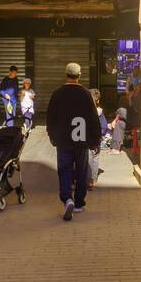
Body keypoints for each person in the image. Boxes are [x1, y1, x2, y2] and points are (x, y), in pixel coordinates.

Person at [46, 62, 102, 220]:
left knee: (64, 170)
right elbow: (93, 119)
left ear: (66, 74)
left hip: (63, 140)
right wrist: (95, 140)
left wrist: (52, 136)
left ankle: (67, 198)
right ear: (79, 75)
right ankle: (78, 203)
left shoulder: (57, 94)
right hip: (81, 140)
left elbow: (50, 118)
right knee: (81, 171)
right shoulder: (85, 94)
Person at [88, 88, 108, 188]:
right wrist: (100, 135)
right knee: (95, 158)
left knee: (89, 159)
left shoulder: (85, 112)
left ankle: (89, 180)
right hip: (97, 140)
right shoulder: (100, 112)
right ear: (98, 101)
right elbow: (104, 127)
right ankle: (93, 179)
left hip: (88, 140)